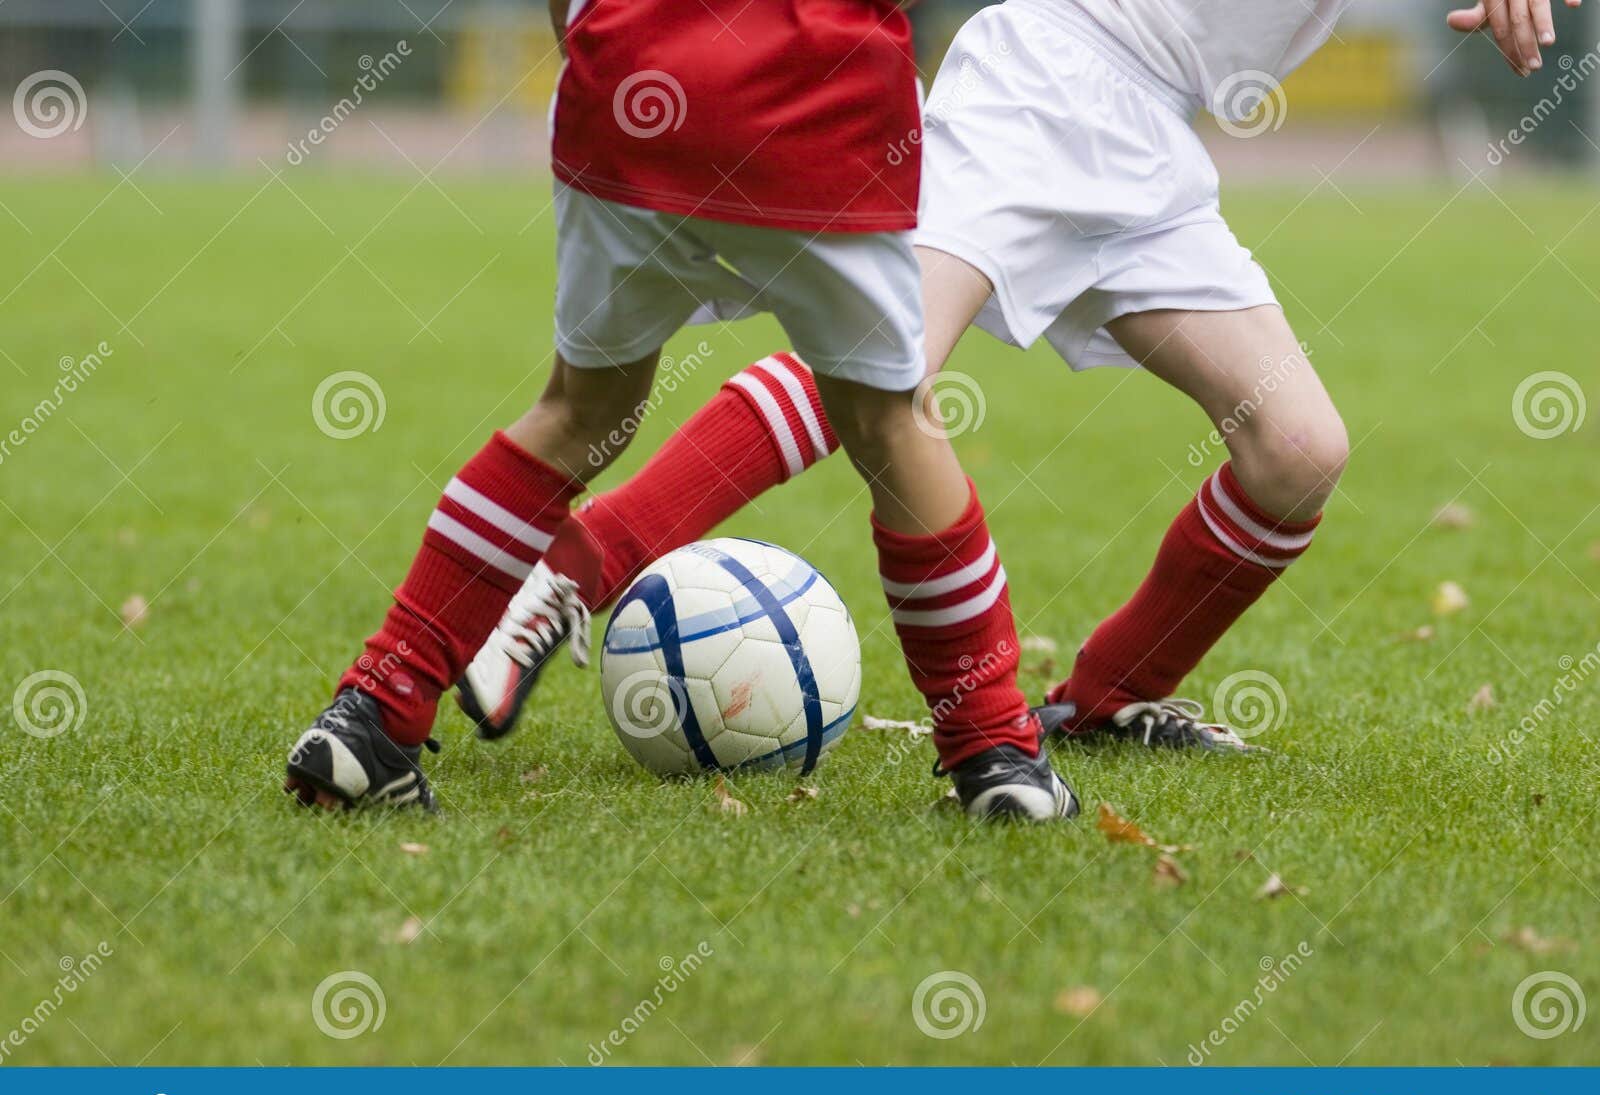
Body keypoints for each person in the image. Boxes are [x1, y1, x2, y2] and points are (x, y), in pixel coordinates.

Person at [459, 0, 1577, 755]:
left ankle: (1106, 700)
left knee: (1296, 452)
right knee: (878, 369)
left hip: (1152, 135)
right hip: (1053, 67)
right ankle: (570, 568)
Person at [282, 0, 1079, 822]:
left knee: (578, 413)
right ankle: (996, 753)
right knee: (890, 422)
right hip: (817, 97)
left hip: (630, 81)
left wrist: (597, 56)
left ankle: (376, 709)